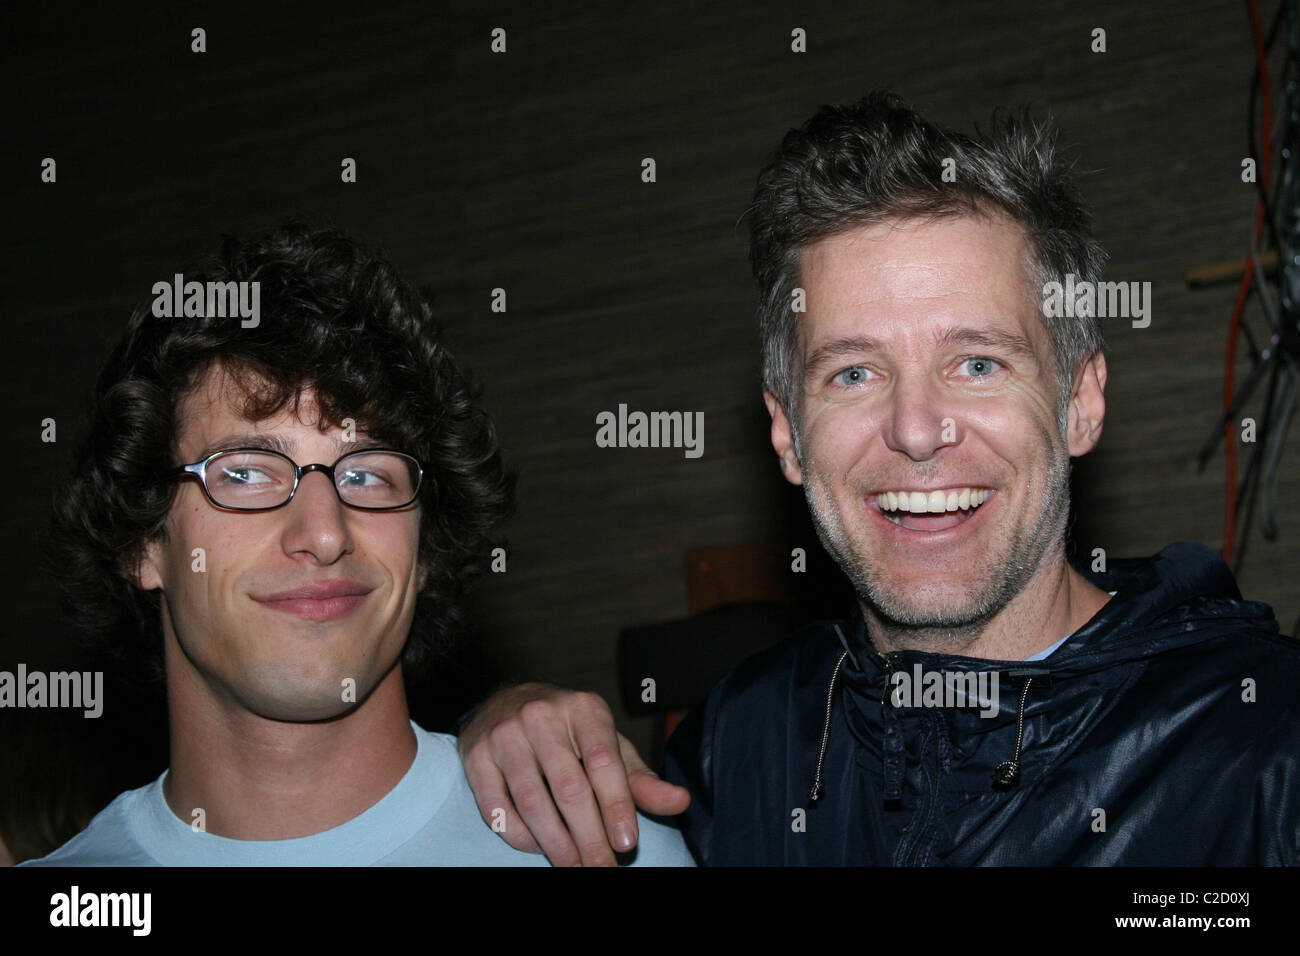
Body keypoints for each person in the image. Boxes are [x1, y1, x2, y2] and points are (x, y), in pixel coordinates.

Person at [456, 91, 1300, 865]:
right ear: (787, 434)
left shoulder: (1266, 751)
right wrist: (485, 731)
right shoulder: (740, 746)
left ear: (1079, 401)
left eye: (976, 362)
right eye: (854, 374)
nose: (916, 431)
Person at [21, 221, 692, 866]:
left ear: (424, 548)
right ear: (144, 542)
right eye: (247, 472)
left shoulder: (600, 855)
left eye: (367, 474)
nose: (323, 532)